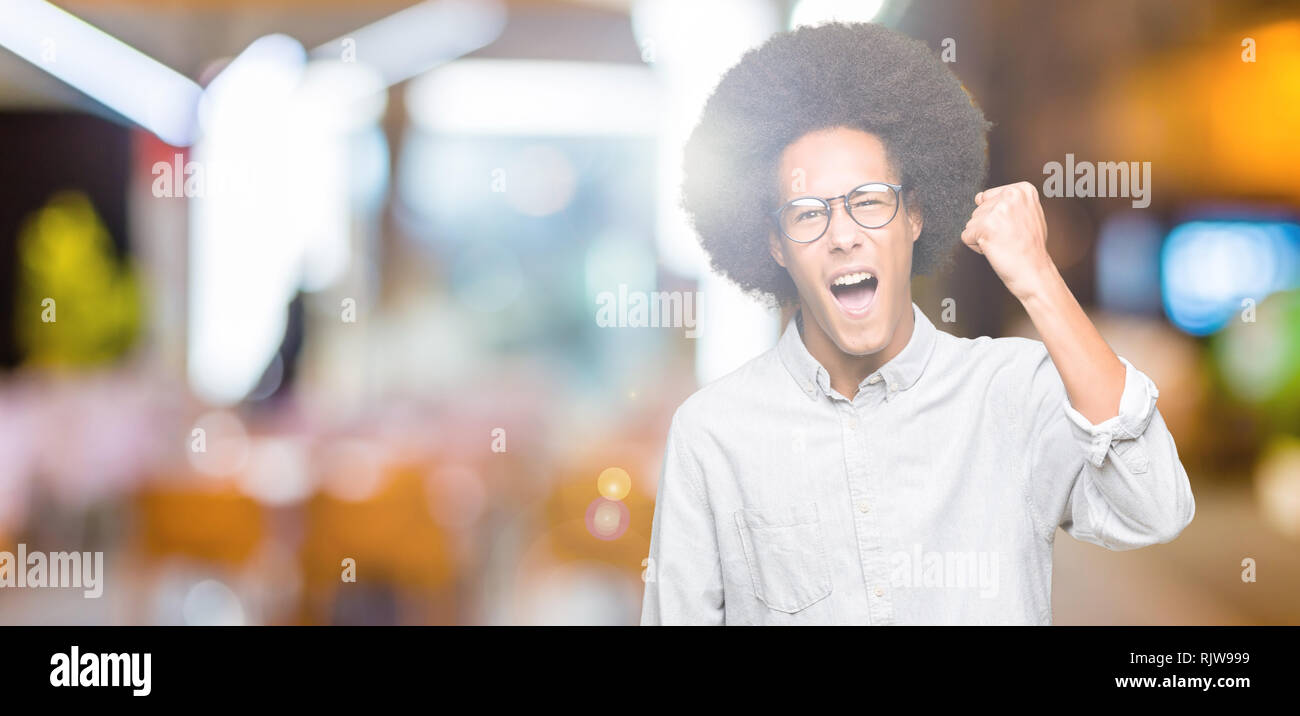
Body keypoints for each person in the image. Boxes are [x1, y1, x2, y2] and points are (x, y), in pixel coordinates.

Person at [640, 21, 1194, 625]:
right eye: (807, 214)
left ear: (914, 216)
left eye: (870, 201)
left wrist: (1039, 277)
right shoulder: (713, 433)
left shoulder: (1010, 392)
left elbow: (1155, 508)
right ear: (775, 245)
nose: (844, 235)